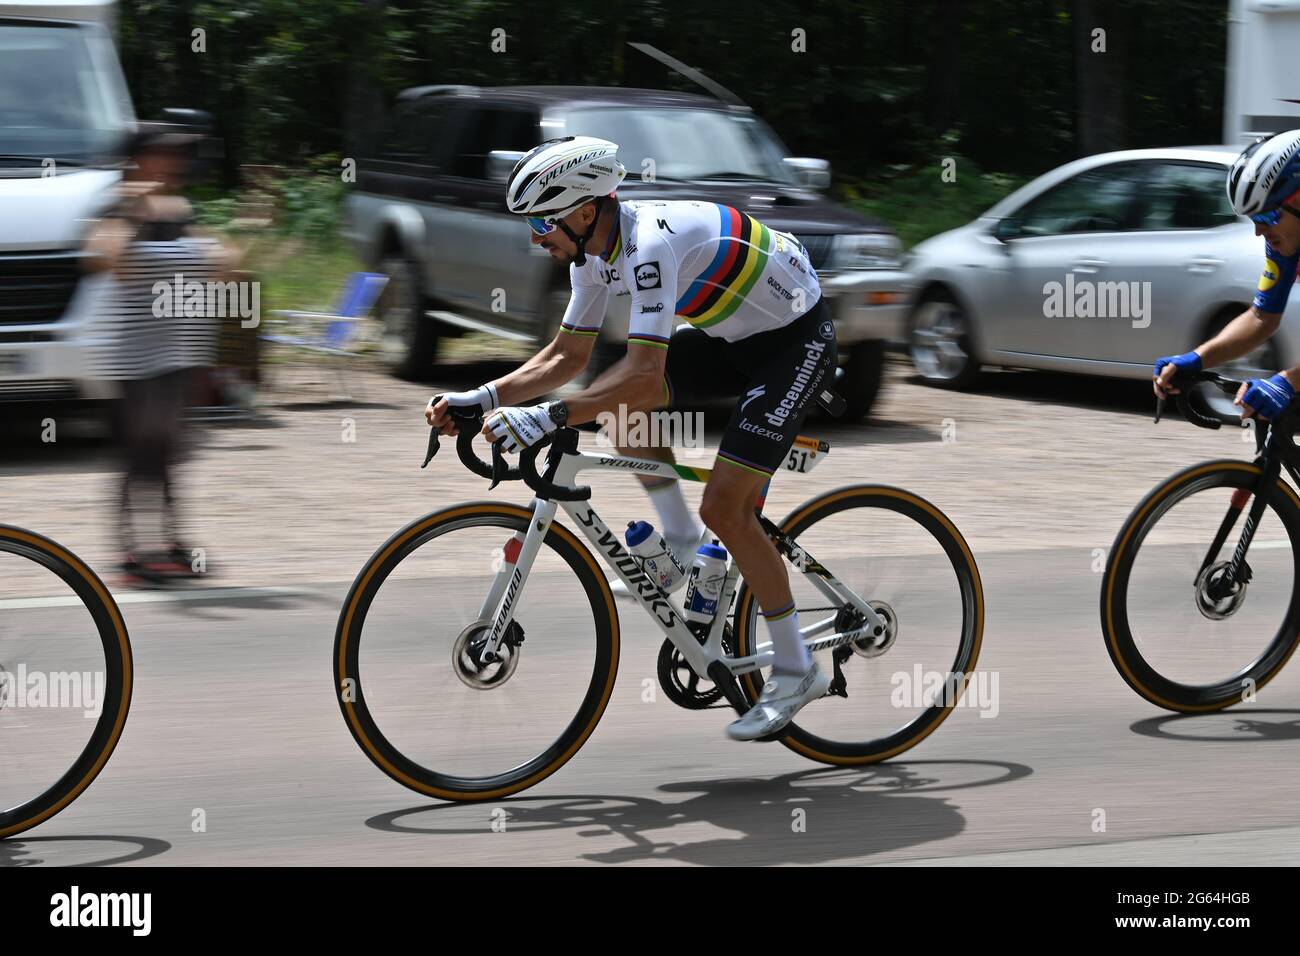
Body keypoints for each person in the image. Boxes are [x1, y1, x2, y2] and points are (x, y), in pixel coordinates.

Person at [426, 136, 838, 740]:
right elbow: (567, 356)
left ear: (585, 210)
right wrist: (482, 397)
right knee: (618, 408)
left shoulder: (649, 246)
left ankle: (797, 668)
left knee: (724, 503)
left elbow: (645, 376)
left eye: (543, 222)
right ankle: (677, 545)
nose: (536, 237)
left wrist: (551, 417)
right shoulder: (591, 256)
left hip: (795, 343)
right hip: (734, 337)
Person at [84, 122, 238, 585]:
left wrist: (236, 244)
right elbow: (107, 264)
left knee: (169, 454)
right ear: (137, 159)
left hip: (181, 354)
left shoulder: (180, 209)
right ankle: (131, 553)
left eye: (177, 155)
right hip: (135, 359)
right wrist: (133, 211)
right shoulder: (116, 206)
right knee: (140, 455)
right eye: (163, 154)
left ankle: (170, 543)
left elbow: (221, 270)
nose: (174, 163)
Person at [1155, 129, 1300, 416]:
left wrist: (1288, 381)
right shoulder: (1287, 243)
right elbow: (1262, 317)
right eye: (1252, 219)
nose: (1259, 231)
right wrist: (1198, 358)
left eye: (1266, 216)